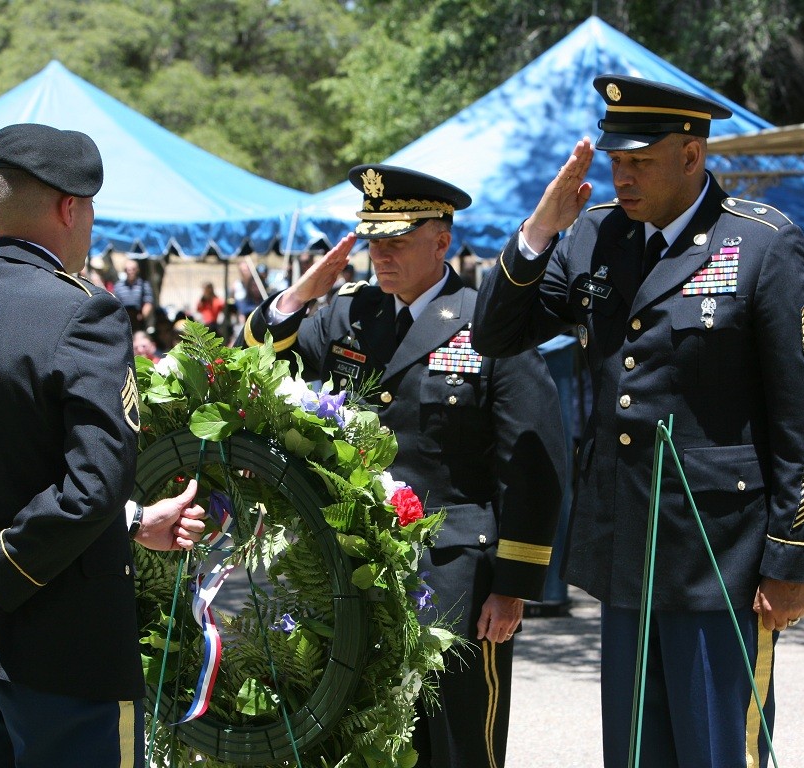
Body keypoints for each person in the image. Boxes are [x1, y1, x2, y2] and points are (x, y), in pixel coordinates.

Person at [471, 75, 804, 768]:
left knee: (719, 751)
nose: (622, 175)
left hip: (719, 557)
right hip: (627, 549)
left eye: (640, 160)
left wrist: (792, 556)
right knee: (636, 751)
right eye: (616, 161)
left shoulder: (760, 245)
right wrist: (541, 229)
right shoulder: (596, 236)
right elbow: (495, 334)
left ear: (692, 155)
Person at [240, 165, 566, 768]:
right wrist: (295, 299)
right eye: (373, 240)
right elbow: (256, 374)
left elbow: (532, 460)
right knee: (361, 732)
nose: (380, 255)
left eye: (396, 240)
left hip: (455, 572)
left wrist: (513, 586)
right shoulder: (345, 315)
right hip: (353, 564)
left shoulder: (486, 322)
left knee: (458, 736)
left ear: (441, 241)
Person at [0, 123, 206, 768]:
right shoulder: (82, 313)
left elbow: (11, 474)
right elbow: (93, 483)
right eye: (91, 208)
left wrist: (130, 522)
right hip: (62, 652)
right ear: (70, 208)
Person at [113, 258, 155, 331]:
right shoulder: (118, 286)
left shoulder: (144, 285)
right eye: (127, 269)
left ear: (137, 270)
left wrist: (141, 317)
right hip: (123, 321)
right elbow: (115, 303)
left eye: (133, 269)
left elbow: (148, 302)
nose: (130, 272)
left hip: (140, 321)